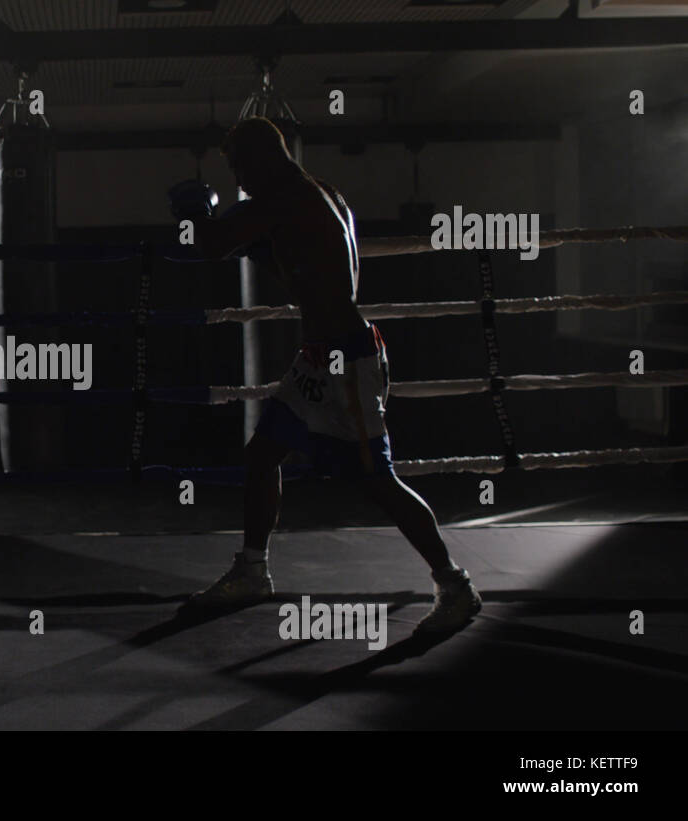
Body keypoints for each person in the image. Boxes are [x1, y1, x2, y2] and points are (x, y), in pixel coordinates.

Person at [170, 116, 481, 633]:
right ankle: (252, 569)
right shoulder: (321, 193)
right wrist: (257, 245)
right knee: (262, 453)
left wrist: (193, 212)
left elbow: (209, 245)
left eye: (240, 167)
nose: (239, 181)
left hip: (346, 359)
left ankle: (454, 583)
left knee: (378, 481)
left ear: (263, 157)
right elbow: (304, 268)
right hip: (318, 355)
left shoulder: (282, 198)